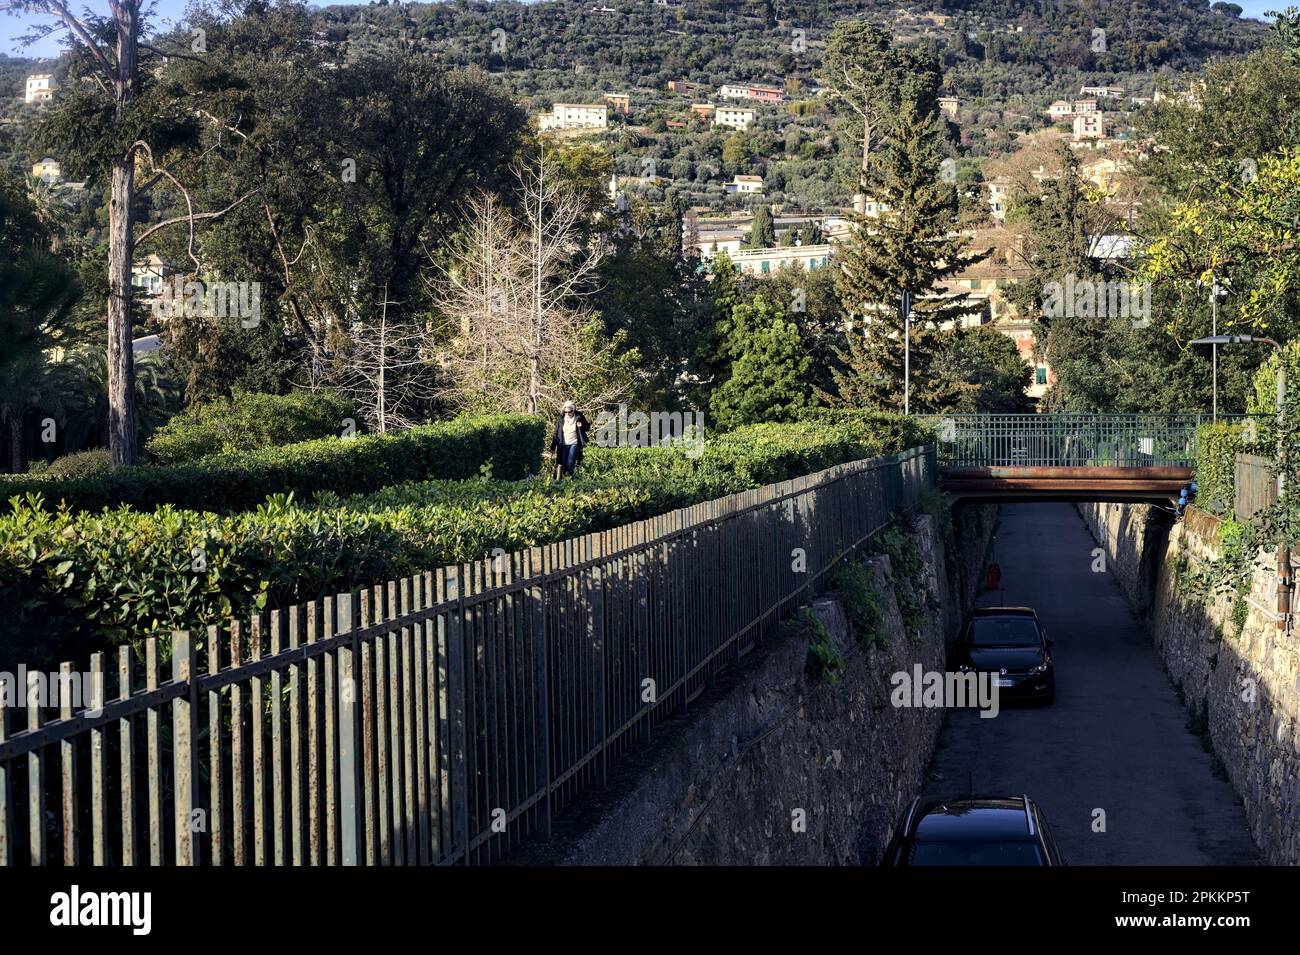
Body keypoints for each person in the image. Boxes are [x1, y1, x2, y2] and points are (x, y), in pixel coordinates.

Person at [550, 400, 591, 478]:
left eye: (570, 412)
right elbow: (556, 433)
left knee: (570, 462)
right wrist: (553, 446)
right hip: (563, 444)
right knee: (563, 463)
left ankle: (570, 479)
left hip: (574, 443)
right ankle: (564, 480)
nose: (567, 414)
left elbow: (588, 427)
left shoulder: (579, 417)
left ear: (574, 410)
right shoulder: (561, 418)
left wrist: (581, 426)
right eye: (565, 412)